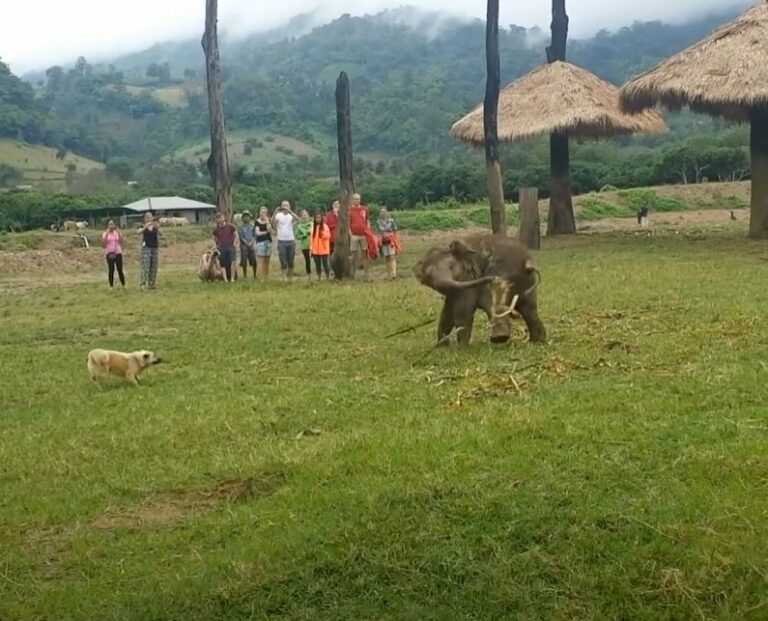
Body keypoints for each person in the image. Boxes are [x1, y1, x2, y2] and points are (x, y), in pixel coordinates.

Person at [271, 200, 301, 281]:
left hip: (291, 240)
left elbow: (298, 220)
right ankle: (284, 278)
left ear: (289, 206)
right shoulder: (278, 215)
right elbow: (272, 223)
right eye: (283, 205)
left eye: (286, 205)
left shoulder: (291, 216)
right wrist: (275, 212)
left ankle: (290, 278)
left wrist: (291, 212)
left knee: (291, 261)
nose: (285, 207)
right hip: (281, 241)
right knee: (283, 260)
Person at [349, 193, 375, 280]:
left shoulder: (364, 209)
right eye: (355, 199)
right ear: (352, 200)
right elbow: (347, 224)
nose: (357, 200)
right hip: (354, 235)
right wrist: (351, 235)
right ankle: (352, 274)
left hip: (364, 235)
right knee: (354, 255)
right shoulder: (349, 210)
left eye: (358, 199)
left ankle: (367, 275)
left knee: (365, 254)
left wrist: (368, 231)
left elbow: (367, 221)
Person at [212, 213, 238, 283]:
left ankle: (232, 279)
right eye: (219, 219)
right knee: (222, 264)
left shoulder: (230, 226)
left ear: (224, 218)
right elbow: (214, 239)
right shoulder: (216, 230)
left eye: (221, 218)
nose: (220, 220)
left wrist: (234, 244)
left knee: (233, 261)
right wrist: (215, 246)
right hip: (221, 248)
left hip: (230, 246)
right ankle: (225, 280)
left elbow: (236, 235)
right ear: (217, 220)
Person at [138, 212, 160, 290]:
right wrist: (145, 226)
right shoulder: (143, 226)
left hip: (155, 247)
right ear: (145, 219)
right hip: (146, 248)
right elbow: (138, 232)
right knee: (146, 266)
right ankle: (142, 284)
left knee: (154, 266)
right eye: (147, 218)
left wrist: (157, 227)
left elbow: (161, 234)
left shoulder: (155, 226)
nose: (149, 219)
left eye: (150, 217)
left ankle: (151, 283)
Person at [377, 207, 401, 279]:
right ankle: (389, 273)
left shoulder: (391, 221)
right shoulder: (378, 222)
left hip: (391, 240)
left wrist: (395, 239)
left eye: (384, 212)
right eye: (382, 212)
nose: (383, 213)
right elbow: (378, 232)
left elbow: (395, 230)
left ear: (387, 213)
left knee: (392, 256)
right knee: (387, 257)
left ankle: (394, 273)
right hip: (383, 240)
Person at [102, 219, 125, 291]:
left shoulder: (117, 232)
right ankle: (111, 286)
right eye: (110, 224)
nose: (111, 226)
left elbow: (121, 242)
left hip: (118, 253)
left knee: (120, 269)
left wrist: (119, 233)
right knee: (111, 270)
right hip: (110, 253)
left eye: (112, 224)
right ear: (107, 226)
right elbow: (103, 245)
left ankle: (123, 284)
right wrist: (107, 234)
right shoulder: (105, 233)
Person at [254, 206, 274, 282]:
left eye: (265, 212)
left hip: (268, 242)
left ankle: (266, 277)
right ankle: (261, 278)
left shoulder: (267, 221)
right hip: (261, 242)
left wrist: (267, 221)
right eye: (262, 212)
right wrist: (265, 232)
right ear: (260, 213)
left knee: (267, 261)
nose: (264, 214)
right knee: (261, 261)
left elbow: (270, 230)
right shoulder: (257, 222)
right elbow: (257, 233)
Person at [310, 212, 331, 281]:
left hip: (324, 250)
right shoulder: (313, 227)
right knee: (317, 265)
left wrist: (322, 233)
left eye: (319, 217)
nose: (318, 219)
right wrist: (311, 249)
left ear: (322, 218)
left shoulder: (325, 226)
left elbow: (328, 236)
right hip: (315, 250)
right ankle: (319, 278)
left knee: (325, 265)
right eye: (316, 217)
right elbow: (311, 240)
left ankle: (327, 277)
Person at [238, 210, 257, 279]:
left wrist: (251, 242)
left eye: (247, 216)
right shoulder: (240, 226)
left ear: (249, 217)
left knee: (254, 259)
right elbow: (241, 237)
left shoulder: (252, 225)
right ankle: (245, 275)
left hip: (251, 244)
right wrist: (247, 243)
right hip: (244, 245)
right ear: (242, 217)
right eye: (245, 216)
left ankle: (255, 275)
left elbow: (255, 235)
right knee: (244, 260)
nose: (246, 218)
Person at [296, 210, 313, 277]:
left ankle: (318, 272)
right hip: (304, 245)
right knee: (307, 260)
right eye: (303, 215)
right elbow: (297, 236)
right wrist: (303, 235)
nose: (305, 216)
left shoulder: (312, 224)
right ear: (301, 217)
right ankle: (309, 274)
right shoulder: (299, 226)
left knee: (315, 259)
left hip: (313, 245)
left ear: (308, 216)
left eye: (306, 215)